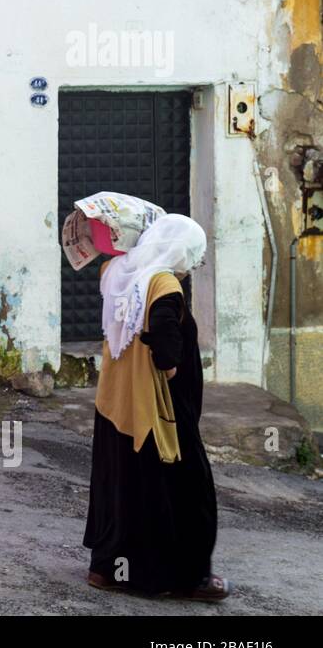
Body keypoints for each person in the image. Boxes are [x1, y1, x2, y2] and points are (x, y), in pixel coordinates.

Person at [82, 213, 228, 601]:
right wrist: (170, 361)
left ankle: (108, 569)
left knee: (121, 482)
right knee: (184, 488)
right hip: (154, 408)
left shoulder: (116, 270)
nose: (191, 265)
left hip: (114, 403)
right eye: (192, 255)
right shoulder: (162, 282)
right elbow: (164, 331)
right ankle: (182, 577)